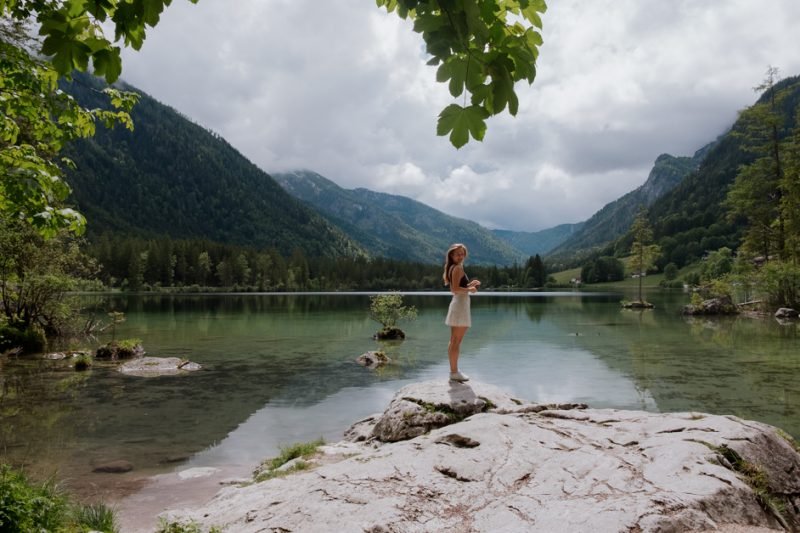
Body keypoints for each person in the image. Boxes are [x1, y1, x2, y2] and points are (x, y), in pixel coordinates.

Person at [443, 243, 480, 382]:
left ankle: (453, 372)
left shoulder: (454, 267)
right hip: (460, 306)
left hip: (459, 304)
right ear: (452, 255)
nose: (460, 256)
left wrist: (470, 285)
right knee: (456, 341)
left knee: (454, 341)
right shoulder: (457, 267)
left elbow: (459, 287)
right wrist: (470, 290)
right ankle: (454, 372)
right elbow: (455, 289)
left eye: (462, 253)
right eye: (457, 253)